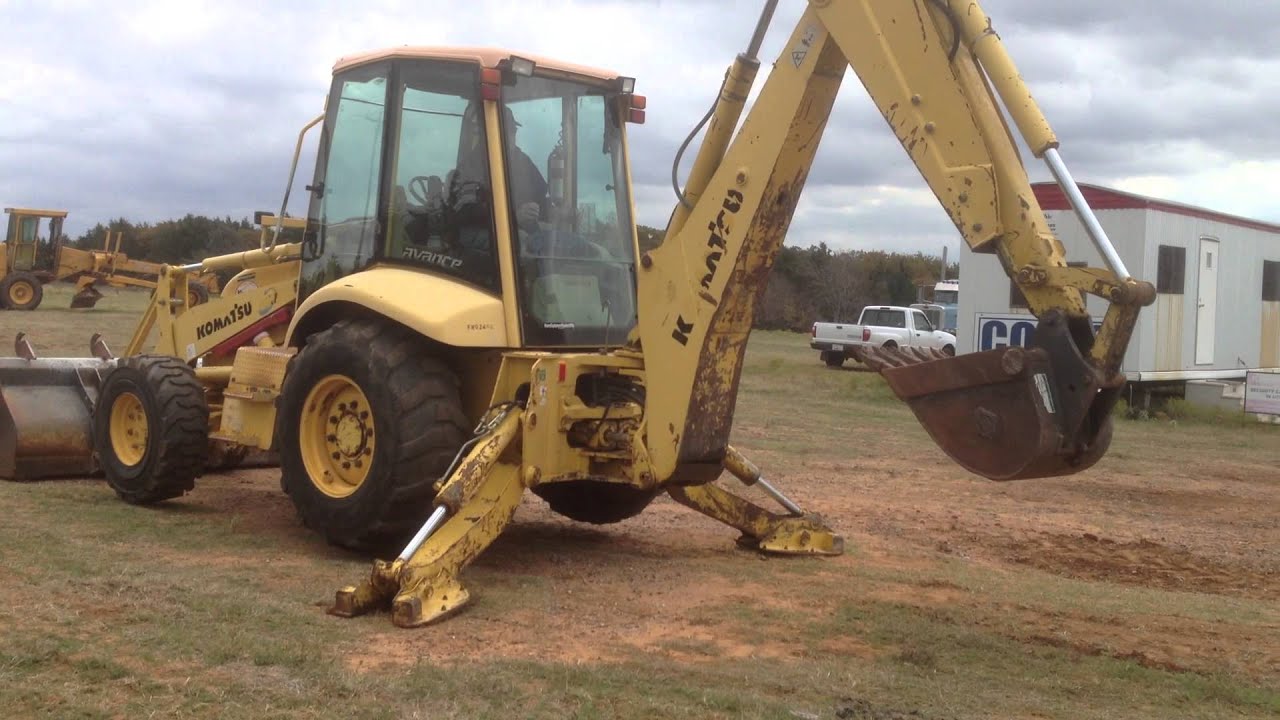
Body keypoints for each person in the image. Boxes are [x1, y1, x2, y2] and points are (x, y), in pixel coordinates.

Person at [503, 106, 549, 231]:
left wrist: (555, 213)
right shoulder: (475, 165)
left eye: (514, 130)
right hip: (496, 235)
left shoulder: (522, 160)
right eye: (509, 130)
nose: (513, 134)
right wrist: (514, 217)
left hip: (525, 229)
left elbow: (541, 192)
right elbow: (469, 213)